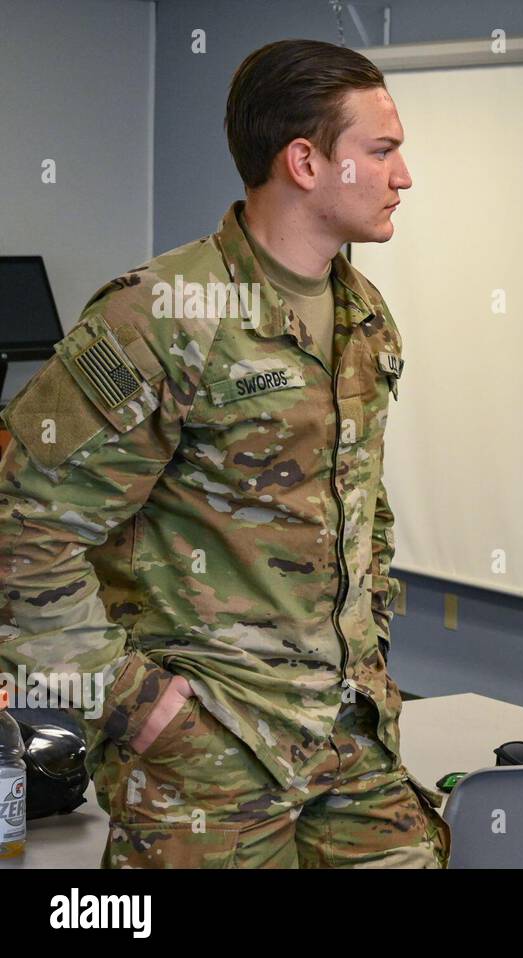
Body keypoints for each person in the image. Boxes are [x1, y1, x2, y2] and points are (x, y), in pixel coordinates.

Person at [0, 39, 446, 867]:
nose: (404, 176)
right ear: (305, 161)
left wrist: (372, 630)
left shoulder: (363, 312)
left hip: (349, 730)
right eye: (382, 151)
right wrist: (137, 708)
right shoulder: (162, 318)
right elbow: (22, 538)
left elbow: (359, 499)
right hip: (211, 755)